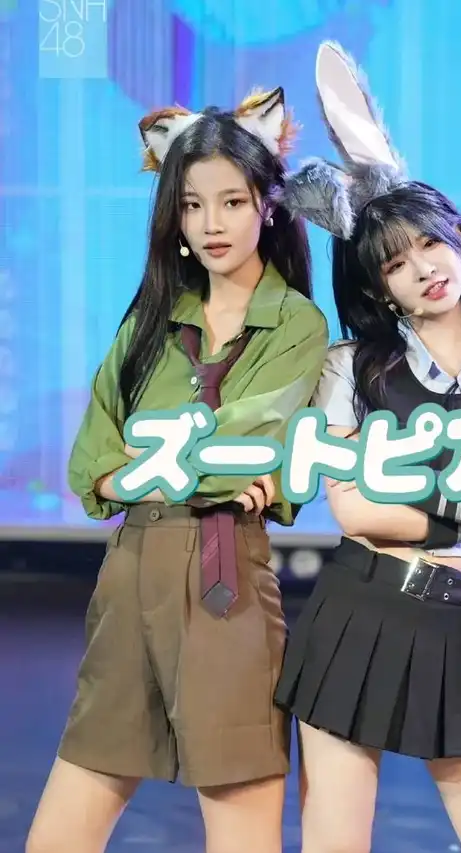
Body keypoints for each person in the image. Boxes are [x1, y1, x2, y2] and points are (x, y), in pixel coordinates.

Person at [274, 42, 461, 853]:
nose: (423, 269)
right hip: (359, 610)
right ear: (378, 288)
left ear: (458, 238)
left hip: (460, 620)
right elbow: (354, 508)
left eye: (430, 245)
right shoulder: (351, 367)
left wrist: (413, 485)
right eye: (396, 264)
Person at [26, 86, 329, 853]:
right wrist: (156, 466)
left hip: (224, 577)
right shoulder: (149, 318)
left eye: (231, 201)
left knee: (241, 828)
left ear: (267, 206)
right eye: (193, 206)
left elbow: (250, 441)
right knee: (61, 828)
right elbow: (91, 458)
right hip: (132, 572)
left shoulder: (297, 323)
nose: (211, 223)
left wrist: (157, 459)